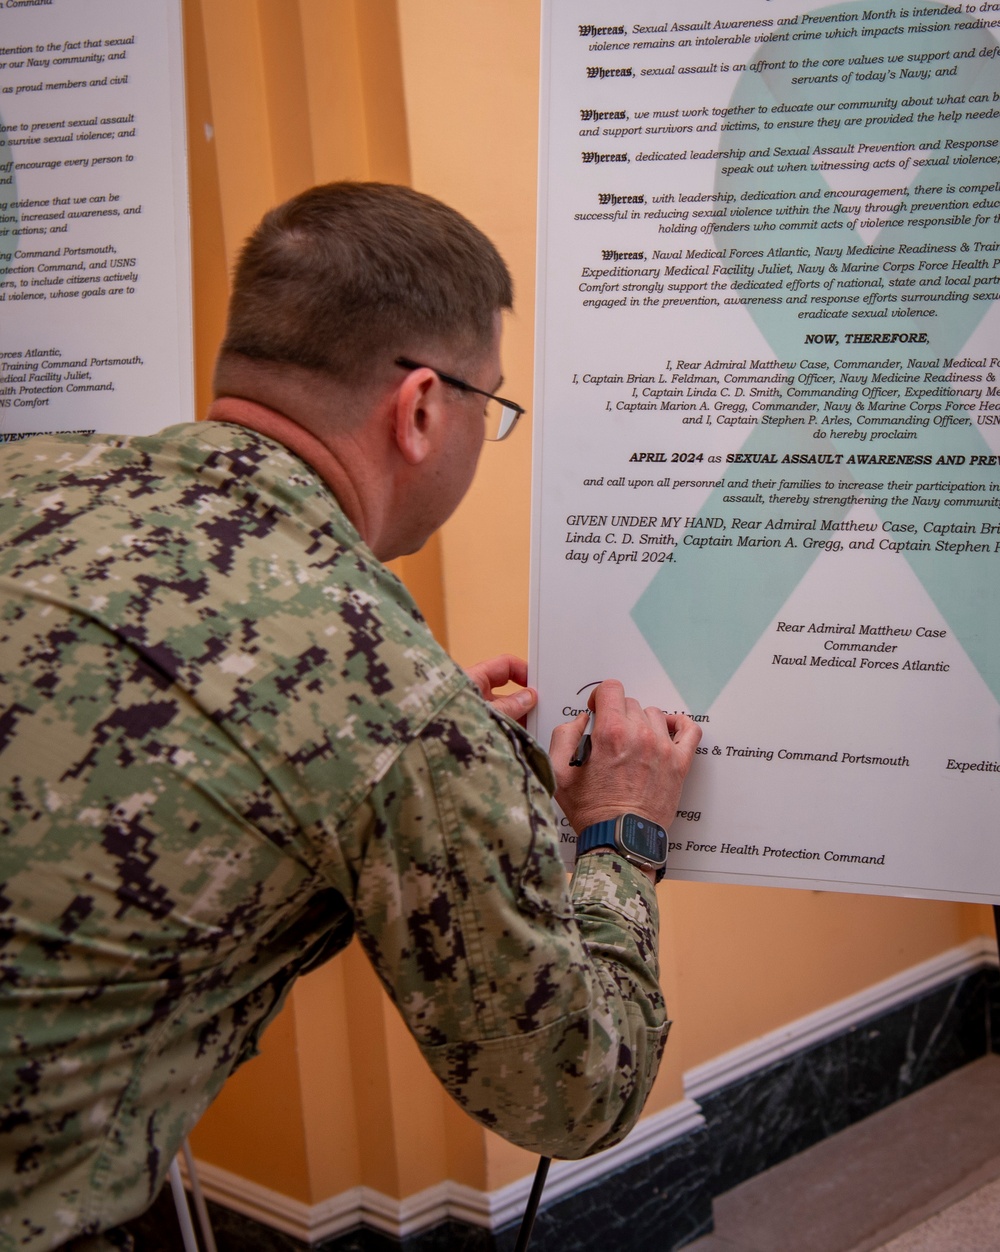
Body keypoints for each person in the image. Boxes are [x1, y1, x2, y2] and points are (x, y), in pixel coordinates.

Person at [0, 182, 701, 1248]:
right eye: (490, 407)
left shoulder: (31, 479)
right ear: (422, 407)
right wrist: (620, 834)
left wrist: (399, 743)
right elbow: (574, 1089)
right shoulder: (390, 703)